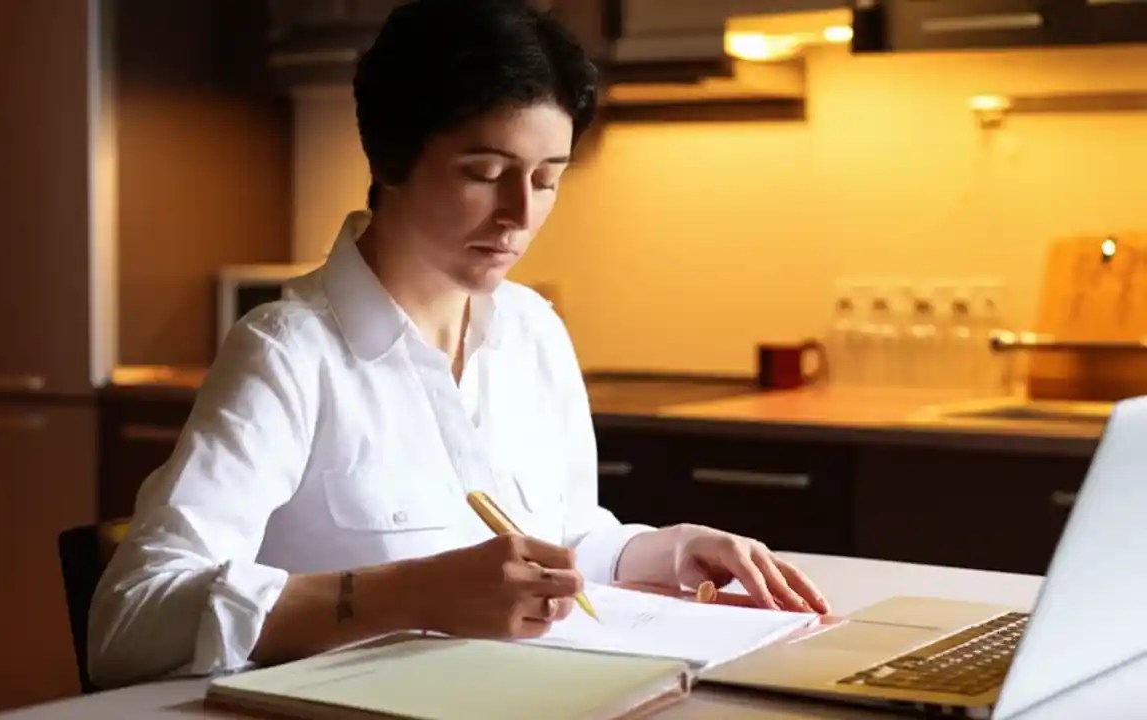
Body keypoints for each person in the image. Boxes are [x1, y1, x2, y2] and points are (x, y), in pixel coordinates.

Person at [88, 0, 830, 689]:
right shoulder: (288, 353)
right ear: (389, 158)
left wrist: (666, 550)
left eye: (547, 180)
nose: (519, 214)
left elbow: (560, 540)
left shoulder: (532, 330)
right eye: (486, 173)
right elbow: (128, 621)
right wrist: (404, 593)